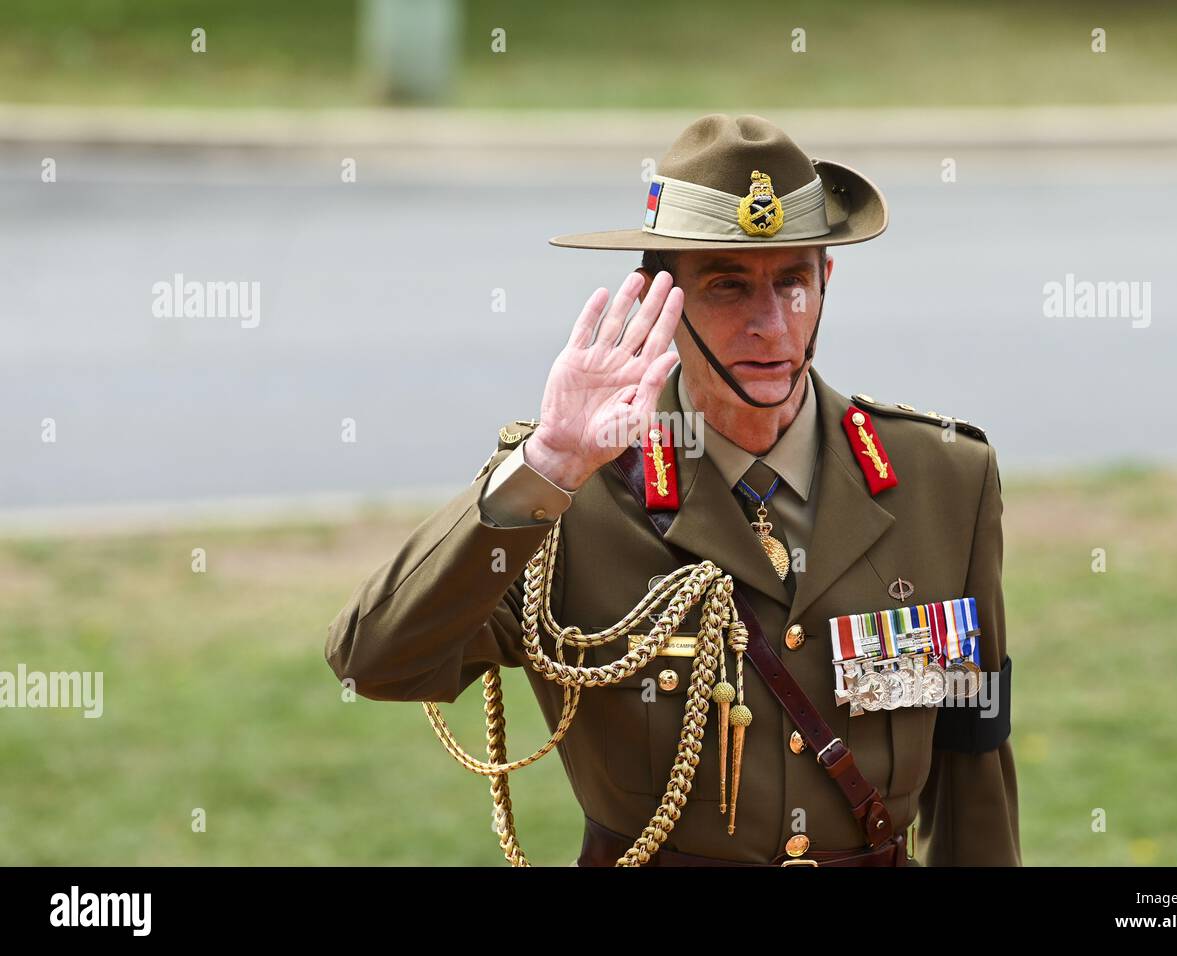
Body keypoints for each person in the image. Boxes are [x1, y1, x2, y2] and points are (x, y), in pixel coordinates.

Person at [325, 113, 1020, 867]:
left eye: (793, 282)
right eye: (727, 286)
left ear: (827, 280)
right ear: (660, 297)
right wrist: (551, 460)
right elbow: (374, 662)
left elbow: (970, 764)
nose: (768, 324)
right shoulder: (565, 495)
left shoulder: (941, 477)